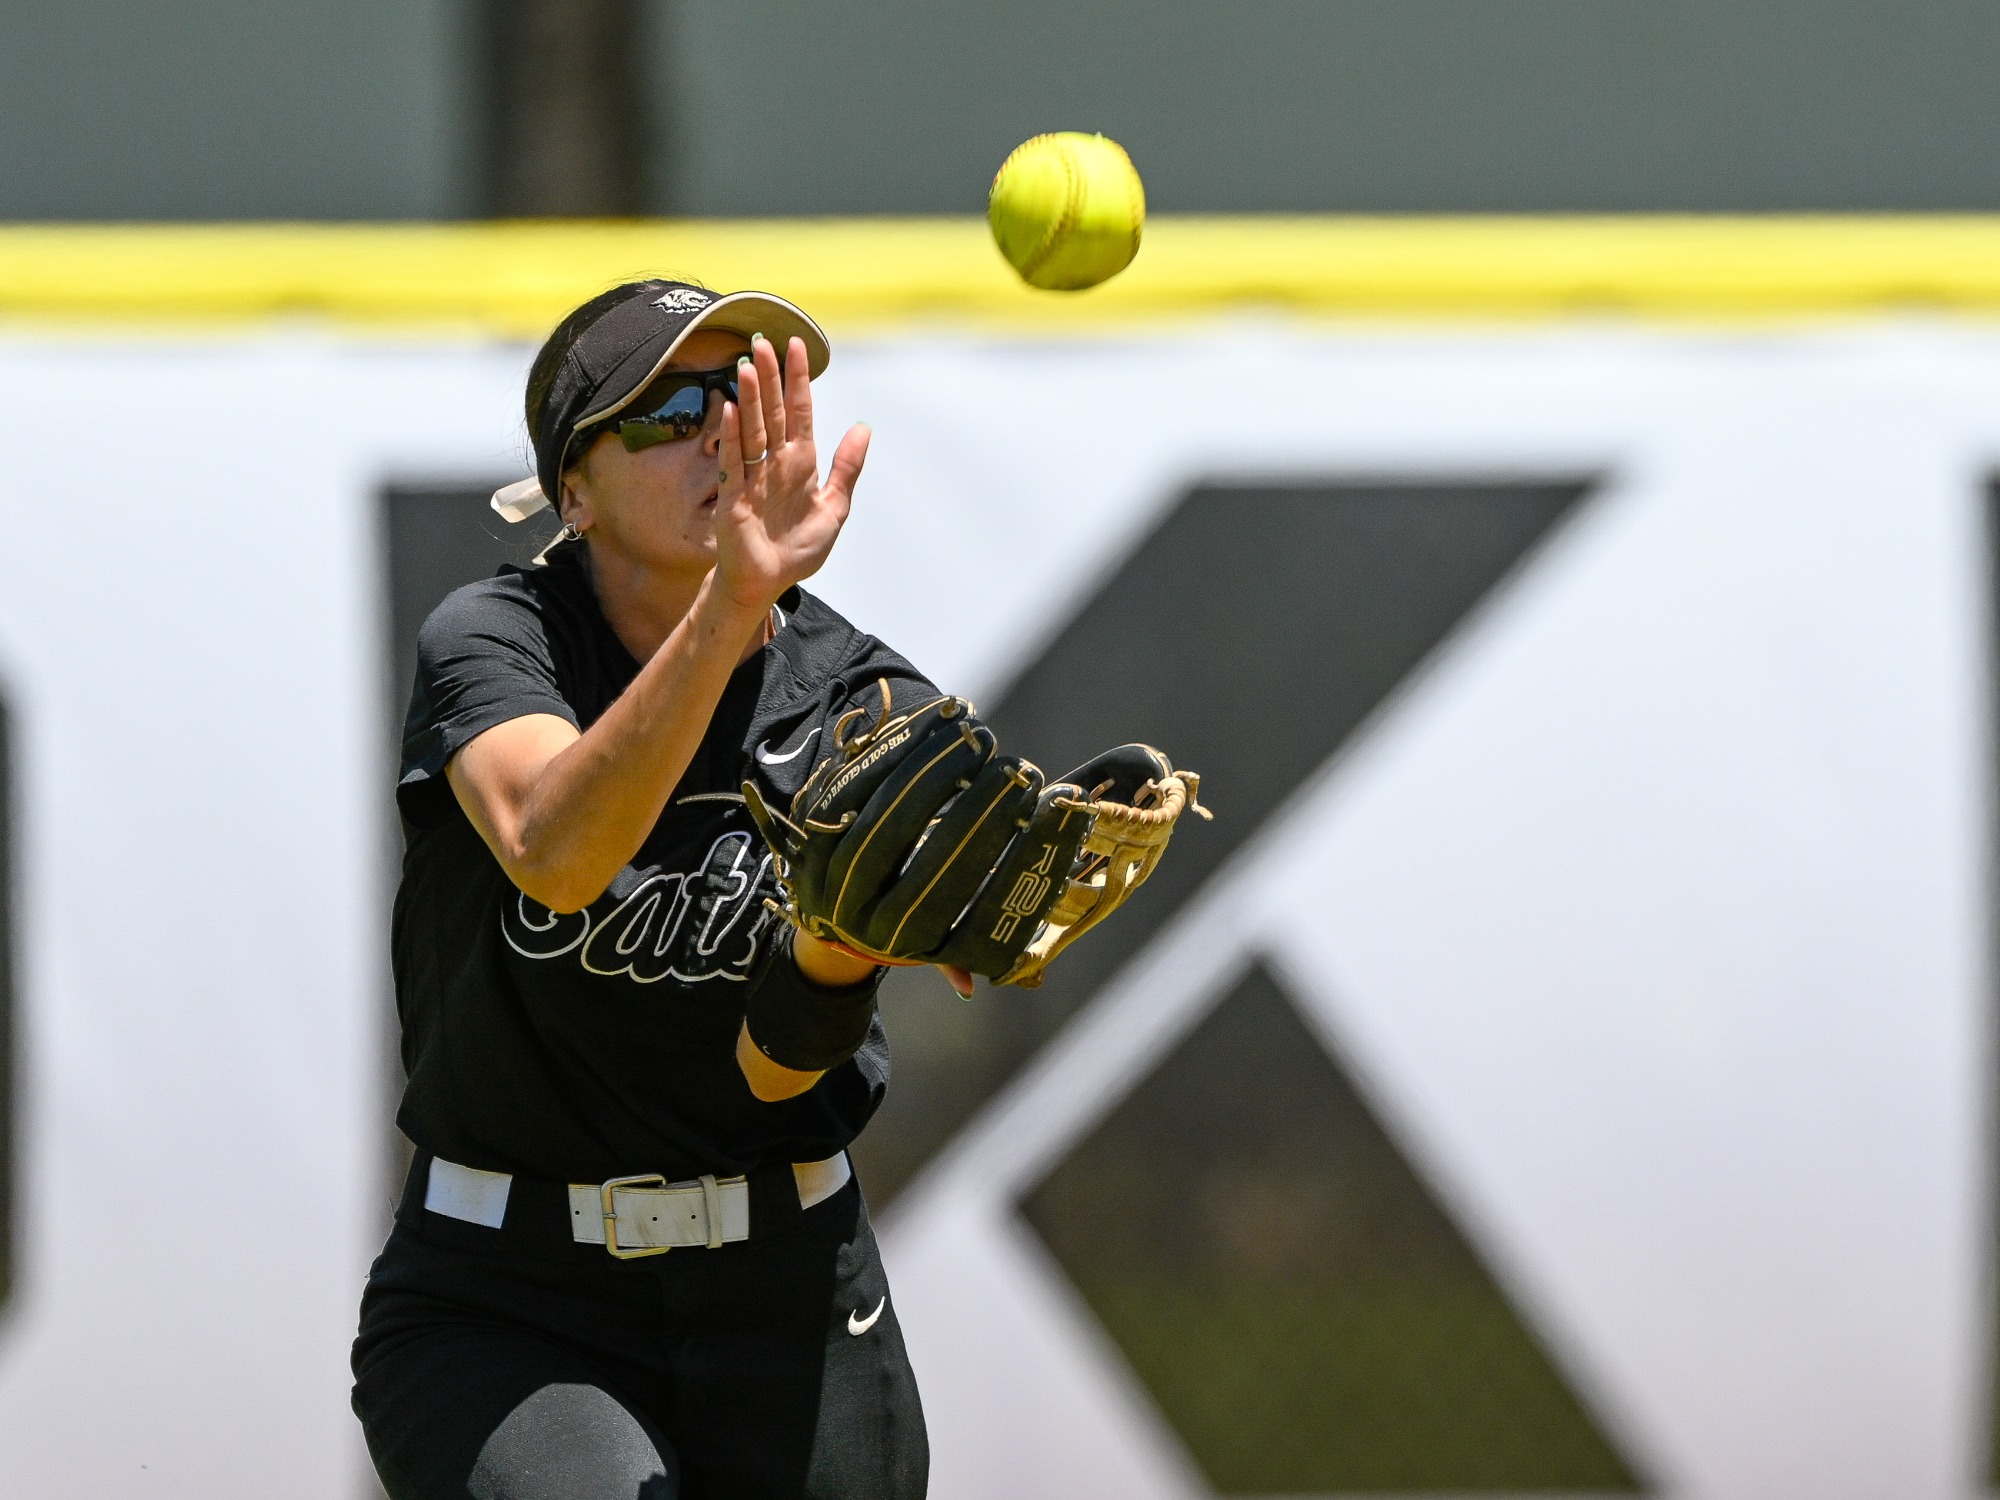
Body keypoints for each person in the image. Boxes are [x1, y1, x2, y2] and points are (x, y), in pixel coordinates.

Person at [352, 279, 953, 1499]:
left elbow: (777, 1072)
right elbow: (552, 850)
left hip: (791, 1283)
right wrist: (735, 603)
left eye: (742, 402)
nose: (720, 436)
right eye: (670, 410)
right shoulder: (495, 636)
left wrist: (847, 948)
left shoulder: (852, 699)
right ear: (571, 488)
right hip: (511, 1300)